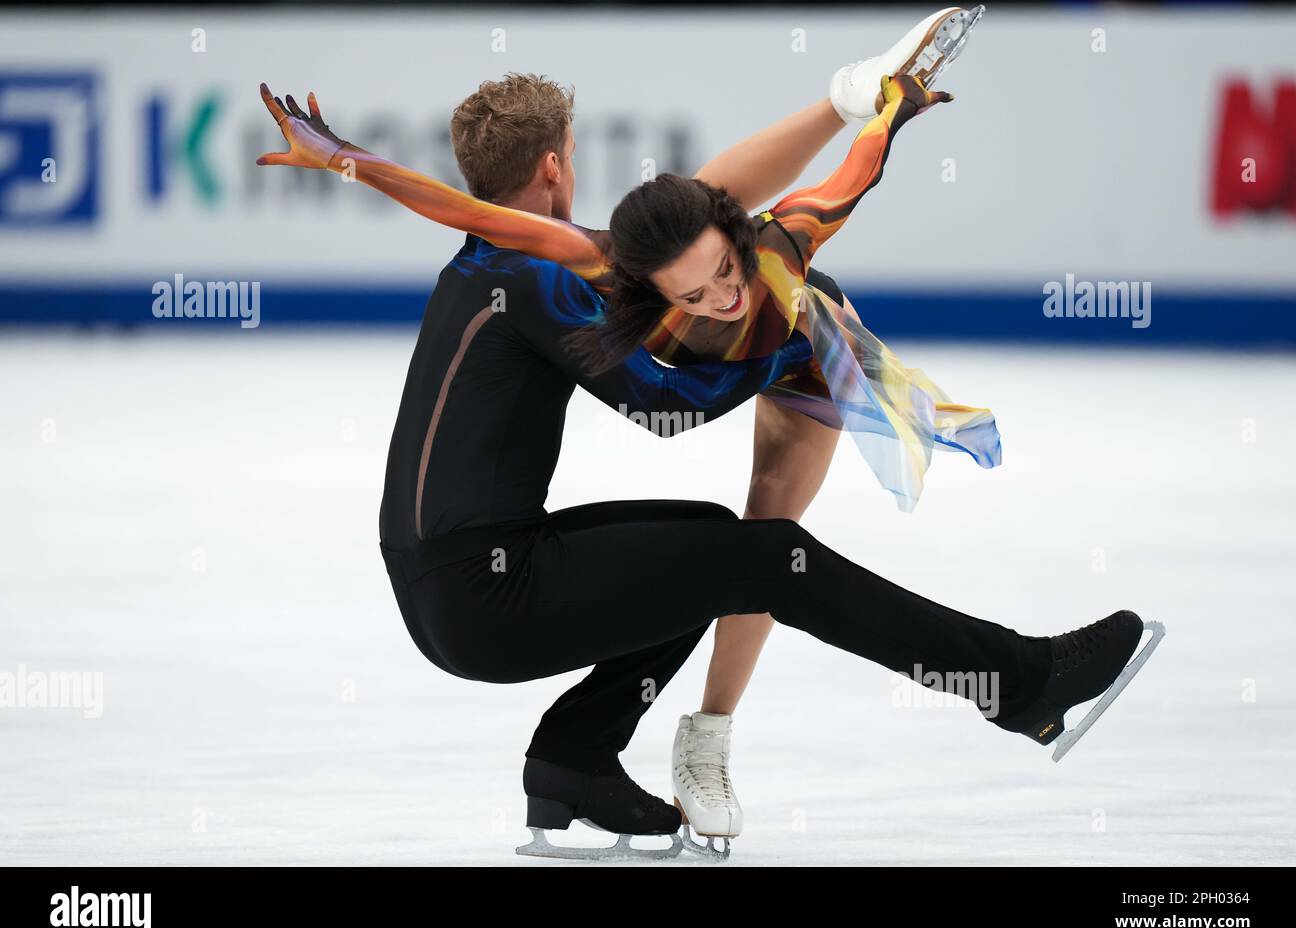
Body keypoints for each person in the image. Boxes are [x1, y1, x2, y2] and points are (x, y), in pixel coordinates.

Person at [254, 9, 1158, 862]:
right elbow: (664, 409)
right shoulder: (537, 280)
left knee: (703, 540)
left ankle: (574, 760)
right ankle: (1018, 683)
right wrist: (778, 354)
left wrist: (347, 160)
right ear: (559, 167)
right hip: (482, 599)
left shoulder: (504, 258)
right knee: (761, 558)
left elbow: (706, 208)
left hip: (453, 575)